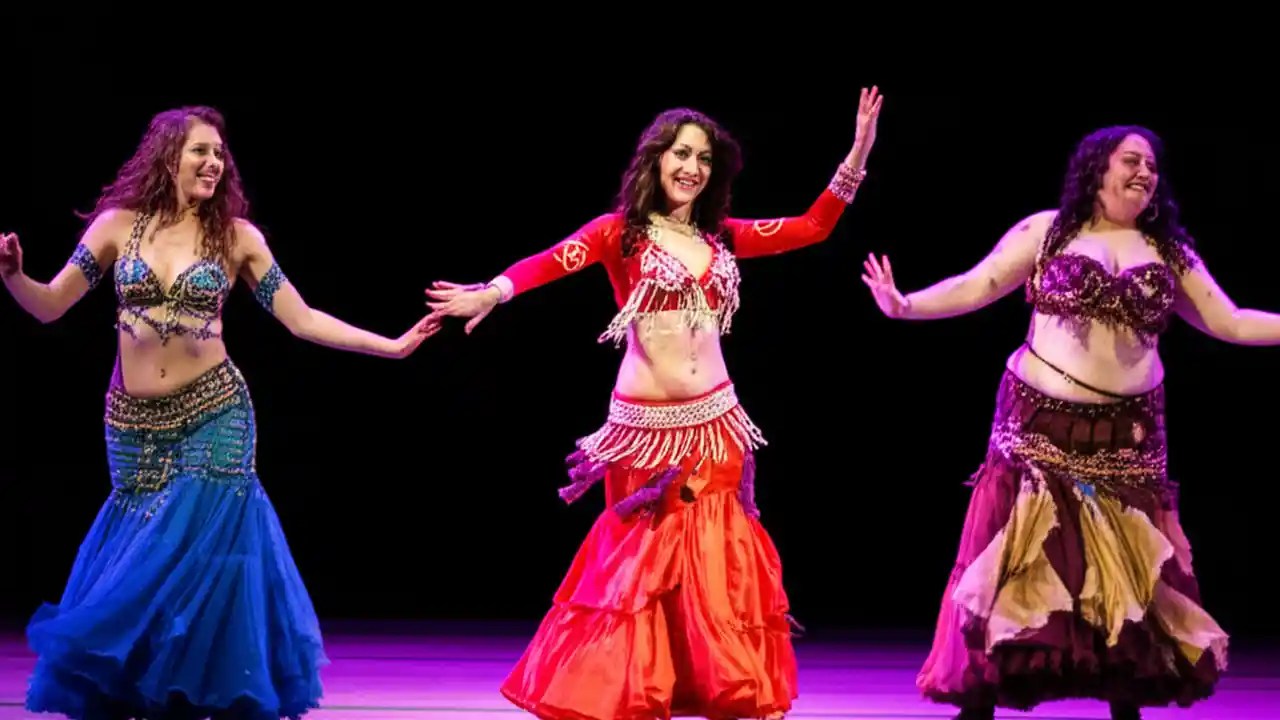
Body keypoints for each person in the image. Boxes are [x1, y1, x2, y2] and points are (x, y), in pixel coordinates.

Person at [423, 88, 883, 719]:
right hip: (645, 437)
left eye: (704, 158)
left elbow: (813, 227)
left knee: (717, 555)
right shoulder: (620, 234)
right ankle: (632, 692)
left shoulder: (722, 238)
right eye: (681, 153)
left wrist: (857, 152)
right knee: (641, 563)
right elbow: (549, 263)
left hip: (717, 424)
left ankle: (728, 686)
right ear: (655, 160)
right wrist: (491, 293)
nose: (692, 167)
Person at [1, 105, 438, 719]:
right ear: (168, 156)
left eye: (219, 153)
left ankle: (203, 685)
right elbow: (49, 306)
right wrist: (16, 278)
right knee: (147, 551)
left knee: (199, 541)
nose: (214, 162)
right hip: (131, 424)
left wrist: (388, 345)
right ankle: (145, 683)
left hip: (216, 412)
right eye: (200, 151)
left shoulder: (235, 238)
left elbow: (301, 318)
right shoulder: (113, 228)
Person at [861, 125, 1246, 720]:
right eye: (1131, 161)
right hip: (1037, 426)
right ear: (1098, 168)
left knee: (1127, 574)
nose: (1145, 173)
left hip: (1126, 437)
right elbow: (979, 284)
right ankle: (979, 702)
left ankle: (1126, 705)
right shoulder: (1049, 232)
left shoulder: (1168, 251)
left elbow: (1233, 321)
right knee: (1016, 564)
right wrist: (905, 305)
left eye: (1152, 166)